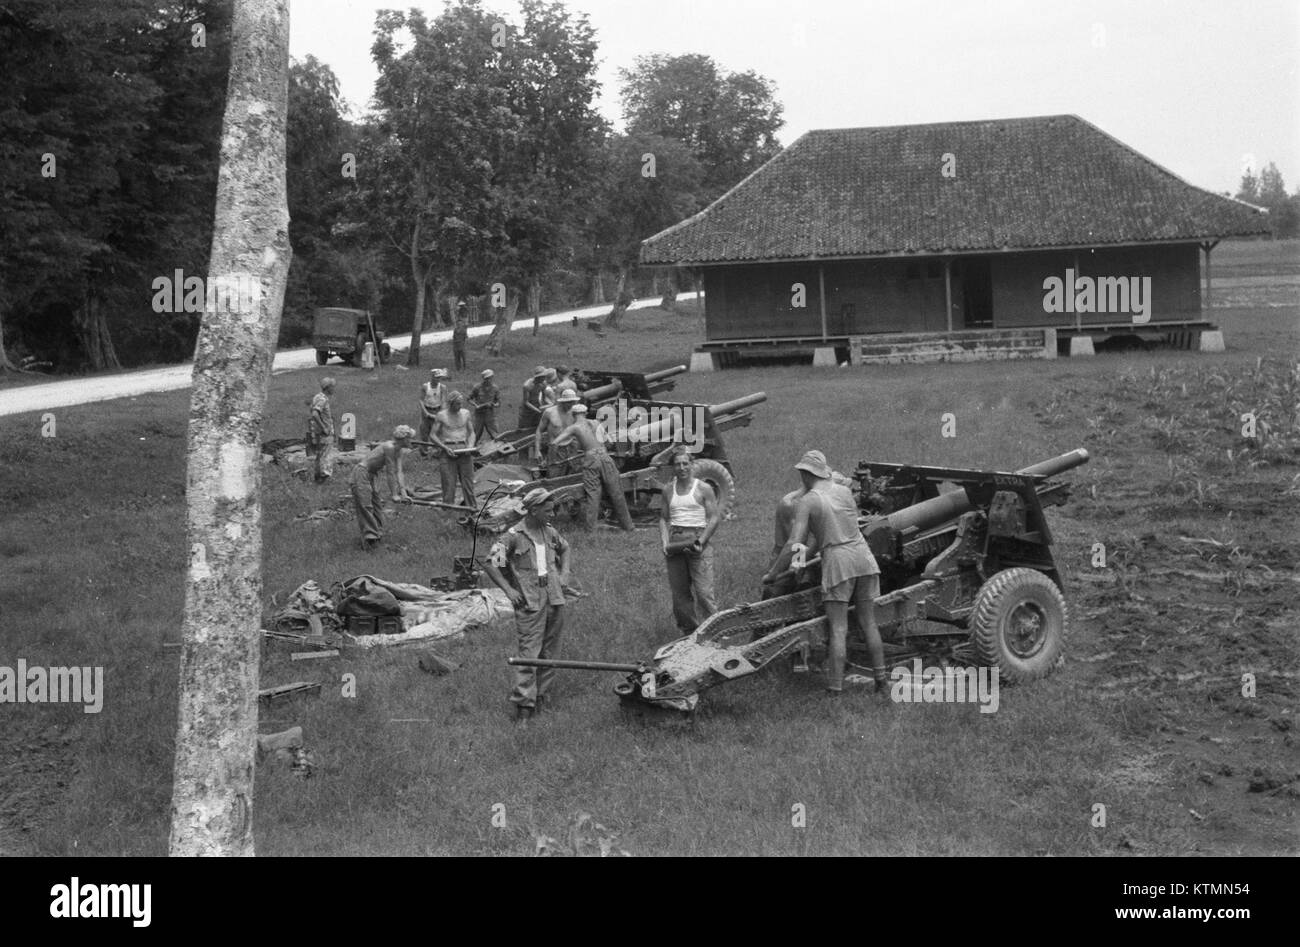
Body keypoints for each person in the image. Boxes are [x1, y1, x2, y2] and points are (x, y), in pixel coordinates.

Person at [761, 450, 886, 697]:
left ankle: (835, 690)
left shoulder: (809, 500)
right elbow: (821, 537)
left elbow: (793, 543)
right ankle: (881, 682)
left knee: (838, 629)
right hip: (864, 558)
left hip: (839, 563)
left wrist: (774, 573)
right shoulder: (844, 492)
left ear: (805, 474)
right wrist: (801, 563)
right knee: (869, 623)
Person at [483, 488, 572, 722]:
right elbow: (492, 563)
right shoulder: (513, 536)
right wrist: (509, 590)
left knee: (550, 650)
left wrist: (564, 573)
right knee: (529, 653)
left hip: (554, 595)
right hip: (530, 600)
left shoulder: (549, 532)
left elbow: (565, 547)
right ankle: (525, 707)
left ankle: (543, 697)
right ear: (533, 511)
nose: (552, 514)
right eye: (548, 510)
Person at [660, 449, 721, 633]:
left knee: (703, 593)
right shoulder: (668, 489)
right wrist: (664, 542)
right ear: (673, 467)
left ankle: (717, 633)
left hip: (697, 540)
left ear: (691, 464)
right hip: (676, 542)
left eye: (685, 463)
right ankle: (690, 634)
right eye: (677, 464)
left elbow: (714, 518)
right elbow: (663, 518)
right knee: (680, 595)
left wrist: (702, 541)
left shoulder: (703, 488)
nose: (682, 467)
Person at [550, 403, 634, 530]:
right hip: (606, 458)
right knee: (617, 493)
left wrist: (552, 461)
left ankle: (591, 530)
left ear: (573, 415)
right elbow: (609, 443)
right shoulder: (596, 423)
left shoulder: (574, 428)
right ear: (585, 413)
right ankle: (629, 527)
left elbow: (554, 443)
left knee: (593, 495)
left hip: (591, 460)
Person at [350, 426, 414, 549]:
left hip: (372, 475)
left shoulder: (399, 450)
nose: (411, 441)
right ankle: (370, 539)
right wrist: (394, 494)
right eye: (410, 438)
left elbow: (399, 472)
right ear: (403, 438)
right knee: (365, 505)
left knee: (377, 505)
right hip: (361, 473)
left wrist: (403, 493)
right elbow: (390, 471)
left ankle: (377, 534)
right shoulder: (389, 447)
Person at [428, 391, 478, 509]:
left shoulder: (466, 413)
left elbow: (471, 433)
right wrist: (444, 447)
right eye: (457, 404)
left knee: (468, 482)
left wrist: (470, 446)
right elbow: (433, 435)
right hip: (447, 450)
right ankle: (448, 509)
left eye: (461, 403)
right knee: (448, 483)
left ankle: (471, 509)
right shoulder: (441, 415)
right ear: (451, 404)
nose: (460, 406)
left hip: (464, 450)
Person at [534, 389, 580, 476]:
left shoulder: (575, 412)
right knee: (554, 476)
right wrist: (537, 450)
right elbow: (539, 430)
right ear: (562, 402)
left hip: (571, 447)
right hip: (555, 449)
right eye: (569, 402)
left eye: (573, 402)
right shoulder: (550, 412)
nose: (571, 405)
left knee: (572, 476)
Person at [307, 377, 336, 482]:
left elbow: (311, 409)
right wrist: (324, 427)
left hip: (317, 432)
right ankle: (325, 477)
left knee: (319, 455)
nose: (334, 389)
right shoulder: (323, 399)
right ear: (328, 388)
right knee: (326, 455)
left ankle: (317, 476)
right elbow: (314, 413)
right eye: (333, 387)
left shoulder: (317, 397)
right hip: (324, 432)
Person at [417, 368, 449, 458]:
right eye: (436, 378)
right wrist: (425, 412)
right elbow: (421, 400)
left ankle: (437, 451)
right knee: (424, 431)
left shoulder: (442, 387)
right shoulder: (425, 387)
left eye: (439, 378)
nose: (438, 380)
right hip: (427, 409)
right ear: (432, 377)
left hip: (437, 409)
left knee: (438, 431)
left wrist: (441, 413)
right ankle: (424, 452)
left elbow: (443, 401)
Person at [469, 368, 501, 441]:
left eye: (490, 378)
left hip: (490, 414)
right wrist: (475, 405)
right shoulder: (477, 387)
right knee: (476, 434)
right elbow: (469, 399)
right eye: (486, 378)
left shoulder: (495, 388)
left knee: (495, 434)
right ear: (483, 378)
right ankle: (471, 450)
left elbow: (498, 402)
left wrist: (494, 405)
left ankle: (496, 449)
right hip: (479, 414)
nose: (488, 380)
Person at [517, 366, 550, 430]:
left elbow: (544, 398)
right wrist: (537, 410)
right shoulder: (527, 385)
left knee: (536, 426)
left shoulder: (543, 384)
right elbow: (526, 402)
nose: (545, 378)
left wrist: (550, 404)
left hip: (537, 405)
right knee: (524, 428)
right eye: (543, 377)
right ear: (538, 377)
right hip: (527, 410)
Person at [451, 302, 469, 371]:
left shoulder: (464, 310)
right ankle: (458, 368)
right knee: (457, 357)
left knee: (463, 357)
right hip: (456, 345)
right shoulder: (455, 330)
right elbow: (454, 337)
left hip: (461, 344)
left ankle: (464, 367)